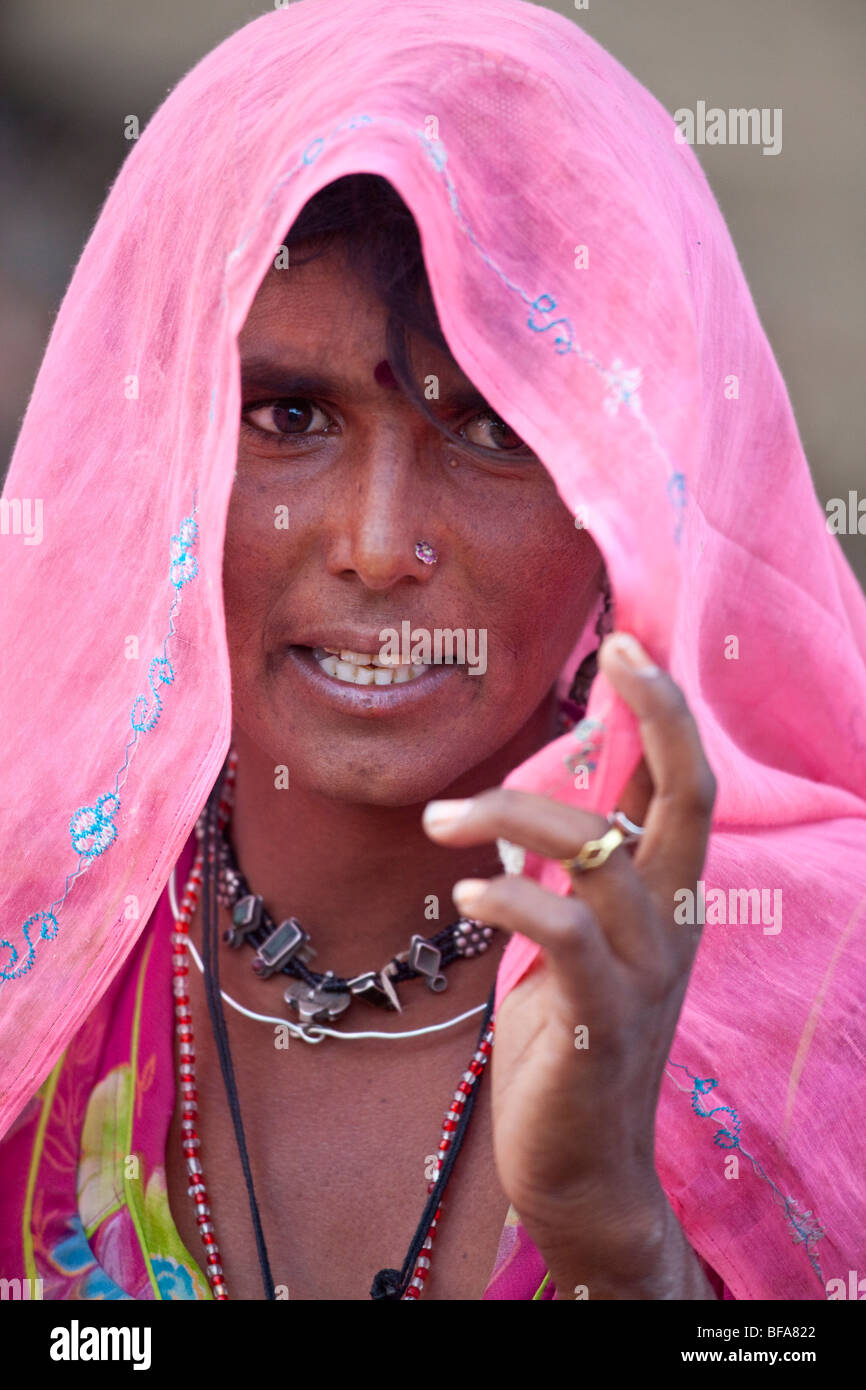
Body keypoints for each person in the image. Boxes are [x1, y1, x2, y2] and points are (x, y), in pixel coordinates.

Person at [1, 0, 864, 1302]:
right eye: (288, 414)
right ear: (159, 436)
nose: (377, 543)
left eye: (493, 429)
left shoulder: (815, 1010)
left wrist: (622, 1237)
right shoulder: (36, 933)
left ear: (622, 481)